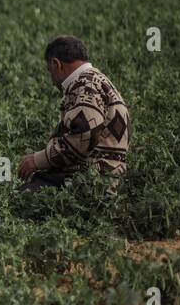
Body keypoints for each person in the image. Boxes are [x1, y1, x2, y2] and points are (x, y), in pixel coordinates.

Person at [17, 34, 130, 192]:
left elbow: (85, 135)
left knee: (20, 198)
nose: (52, 80)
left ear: (57, 64)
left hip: (89, 182)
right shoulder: (100, 81)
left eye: (50, 71)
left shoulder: (86, 86)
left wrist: (38, 160)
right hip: (105, 178)